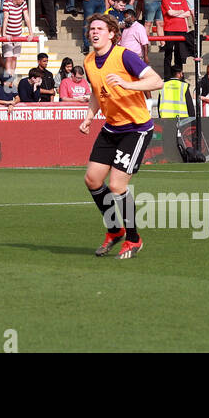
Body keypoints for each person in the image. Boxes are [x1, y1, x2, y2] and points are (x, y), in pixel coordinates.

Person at [78, 14, 164, 259]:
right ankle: (115, 230)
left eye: (99, 29)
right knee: (93, 180)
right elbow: (97, 92)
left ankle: (134, 239)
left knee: (116, 185)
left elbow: (156, 81)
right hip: (111, 127)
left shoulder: (125, 55)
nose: (94, 32)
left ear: (112, 34)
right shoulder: (89, 61)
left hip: (136, 128)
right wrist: (89, 116)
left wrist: (128, 85)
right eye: (92, 28)